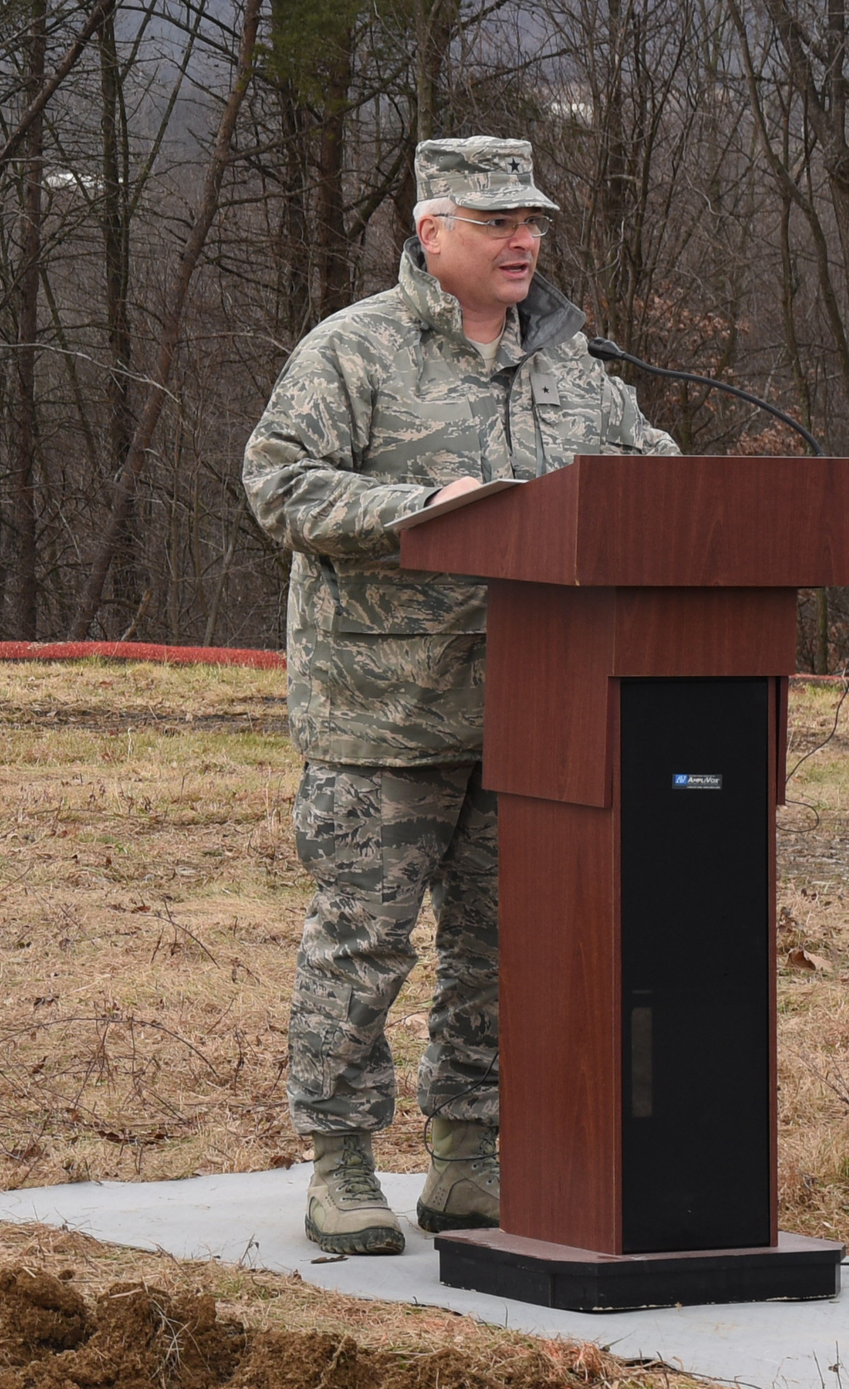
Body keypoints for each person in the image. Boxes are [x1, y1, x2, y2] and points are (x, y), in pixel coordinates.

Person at [241, 136, 679, 1255]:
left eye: (531, 220)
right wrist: (424, 504)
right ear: (433, 234)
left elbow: (656, 477)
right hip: (382, 711)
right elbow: (279, 486)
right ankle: (340, 1163)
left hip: (539, 717)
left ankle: (469, 1157)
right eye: (495, 223)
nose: (523, 240)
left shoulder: (573, 367)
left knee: (500, 947)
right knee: (363, 942)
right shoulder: (357, 352)